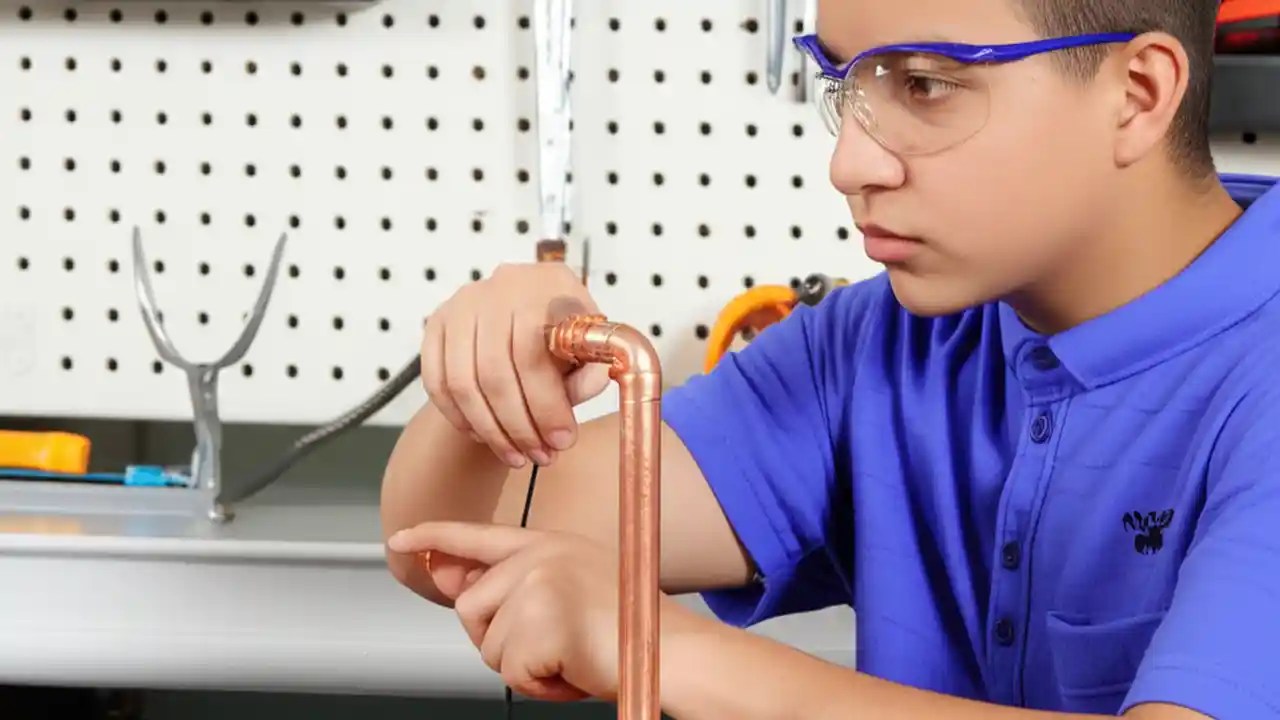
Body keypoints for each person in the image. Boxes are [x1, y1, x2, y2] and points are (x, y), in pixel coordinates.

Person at [381, 0, 1280, 717]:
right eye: (846, 83)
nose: (849, 163)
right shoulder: (877, 345)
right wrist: (492, 377)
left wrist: (669, 652)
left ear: (1139, 93)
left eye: (924, 85)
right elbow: (450, 540)